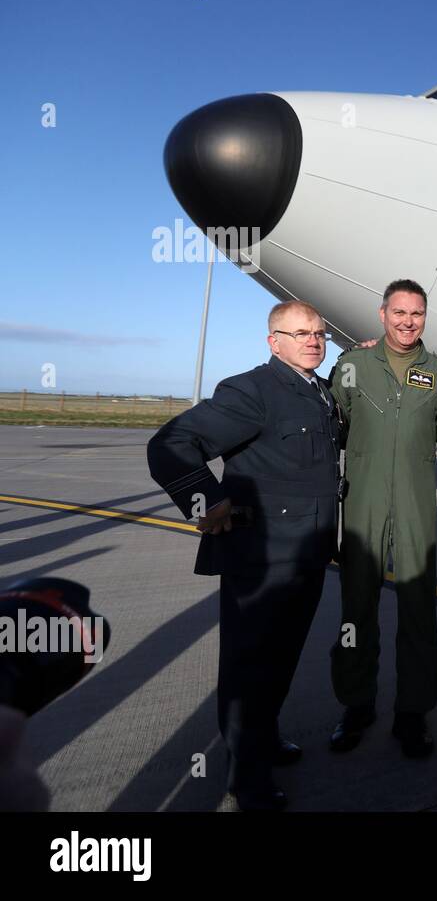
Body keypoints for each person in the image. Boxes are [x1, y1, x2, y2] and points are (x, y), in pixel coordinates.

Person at [147, 301, 341, 811]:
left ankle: (264, 737)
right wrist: (205, 501)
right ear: (273, 340)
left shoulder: (318, 391)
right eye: (299, 333)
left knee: (281, 662)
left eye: (319, 333)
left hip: (307, 553)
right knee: (248, 668)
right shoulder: (253, 390)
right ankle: (245, 776)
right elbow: (171, 442)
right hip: (261, 559)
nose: (313, 341)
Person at [327, 279, 437, 758]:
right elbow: (329, 421)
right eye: (399, 312)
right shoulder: (353, 365)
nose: (407, 321)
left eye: (416, 314)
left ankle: (412, 713)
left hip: (418, 507)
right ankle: (356, 707)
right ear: (382, 315)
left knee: (419, 612)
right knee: (356, 611)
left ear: (424, 317)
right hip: (363, 505)